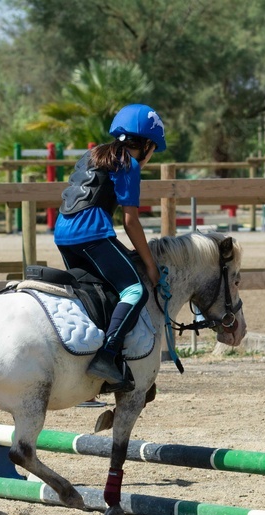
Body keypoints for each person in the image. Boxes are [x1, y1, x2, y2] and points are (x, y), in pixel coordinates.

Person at [53, 103, 166, 391]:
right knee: (134, 289)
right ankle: (107, 356)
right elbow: (130, 222)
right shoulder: (129, 163)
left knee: (94, 295)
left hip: (63, 234)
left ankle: (82, 371)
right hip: (91, 234)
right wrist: (150, 266)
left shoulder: (92, 155)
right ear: (147, 145)